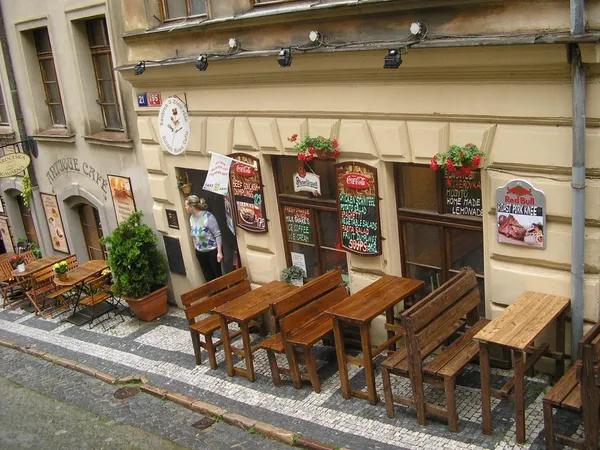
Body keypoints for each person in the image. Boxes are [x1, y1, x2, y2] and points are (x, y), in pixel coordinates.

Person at [184, 195, 223, 282]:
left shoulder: (208, 217)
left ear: (192, 207)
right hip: (200, 252)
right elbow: (193, 234)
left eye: (186, 205)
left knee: (217, 277)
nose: (185, 207)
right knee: (208, 277)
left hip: (212, 251)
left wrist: (219, 252)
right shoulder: (191, 219)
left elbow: (217, 234)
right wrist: (196, 248)